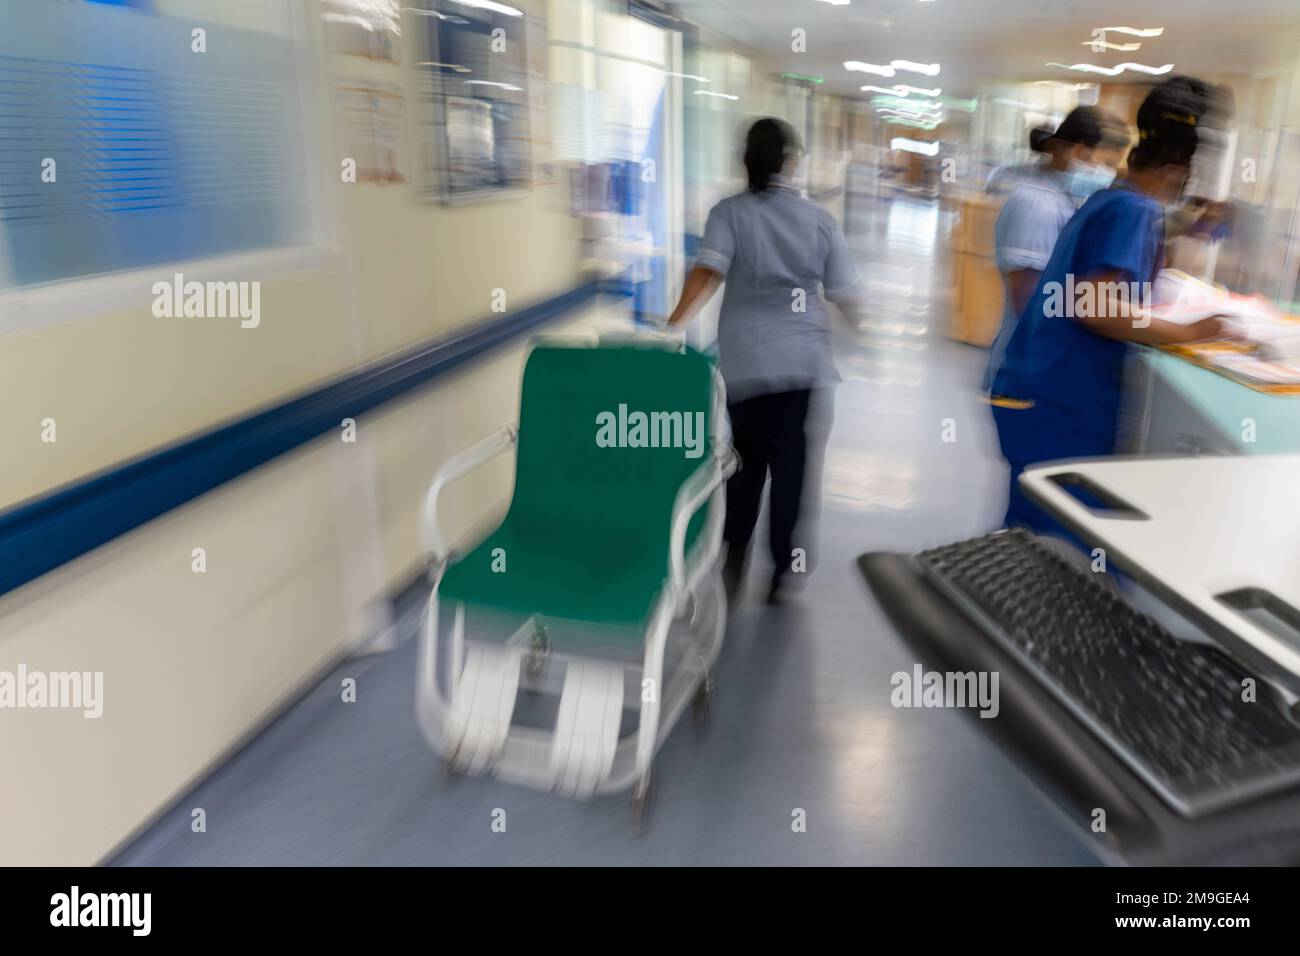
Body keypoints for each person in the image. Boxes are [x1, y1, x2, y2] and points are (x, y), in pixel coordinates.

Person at [988, 77, 1231, 533]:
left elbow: (1115, 278)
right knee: (1059, 542)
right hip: (1058, 403)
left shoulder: (1109, 201)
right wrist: (1190, 333)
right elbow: (1096, 308)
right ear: (1179, 174)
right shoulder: (1133, 211)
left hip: (1032, 390)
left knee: (1029, 532)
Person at [666, 117, 862, 604]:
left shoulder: (728, 213)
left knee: (745, 463)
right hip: (803, 363)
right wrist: (865, 328)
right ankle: (784, 570)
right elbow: (842, 290)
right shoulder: (818, 218)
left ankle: (734, 550)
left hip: (745, 362)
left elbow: (708, 271)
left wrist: (670, 326)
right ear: (790, 160)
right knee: (793, 465)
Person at [984, 107, 1130, 388]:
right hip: (1026, 368)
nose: (1107, 174)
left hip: (1045, 362)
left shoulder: (1064, 200)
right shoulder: (1037, 206)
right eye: (1104, 164)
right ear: (1073, 151)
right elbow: (1029, 302)